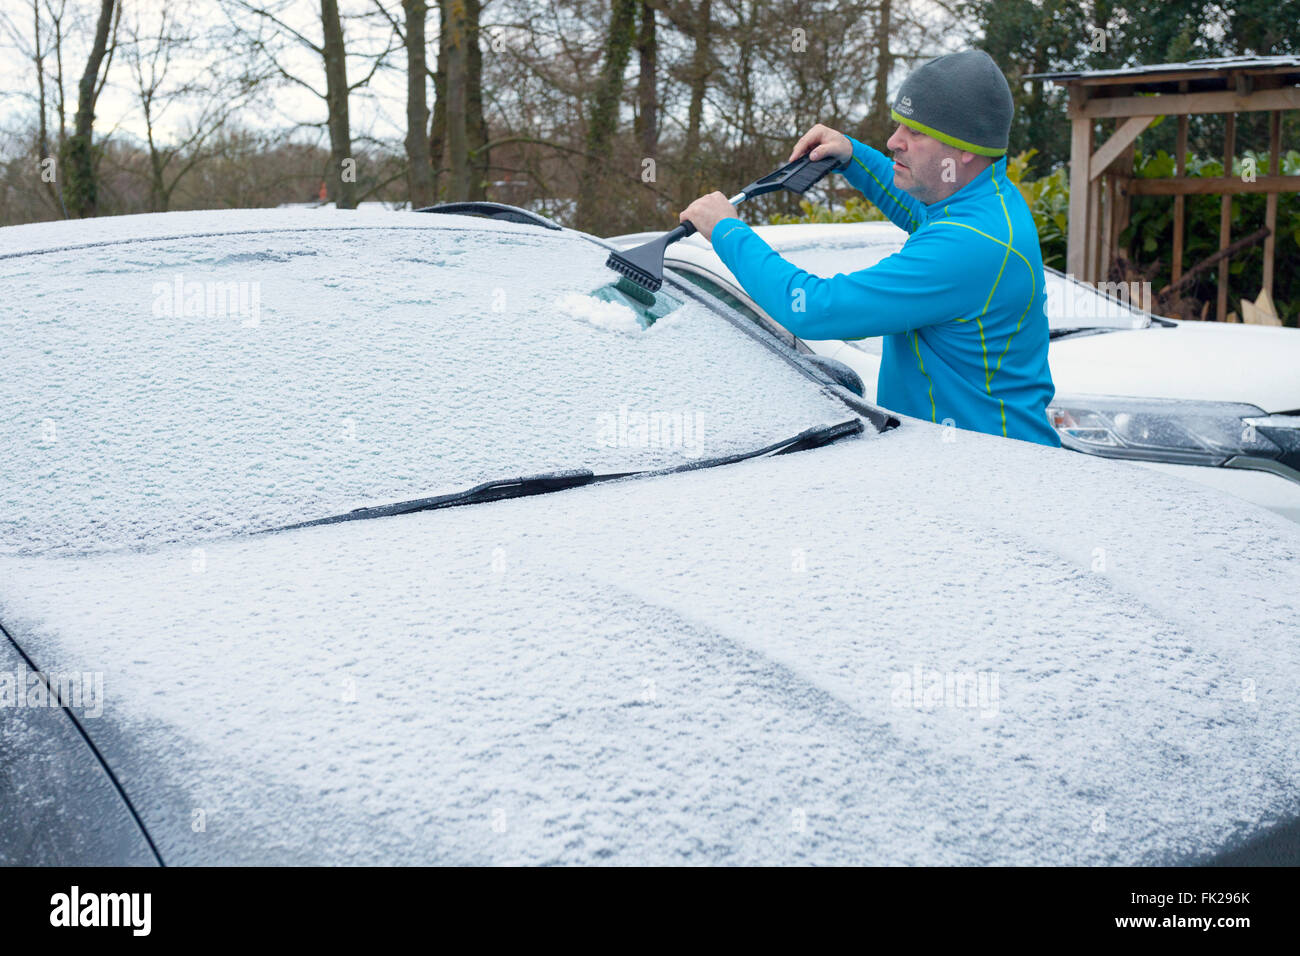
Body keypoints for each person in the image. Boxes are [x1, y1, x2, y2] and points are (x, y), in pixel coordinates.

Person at [678, 49, 1060, 447]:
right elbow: (921, 211)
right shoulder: (987, 199)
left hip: (986, 470)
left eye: (915, 133)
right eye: (899, 126)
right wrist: (852, 156)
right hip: (977, 458)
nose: (895, 141)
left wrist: (727, 230)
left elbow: (813, 308)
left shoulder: (968, 245)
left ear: (965, 149)